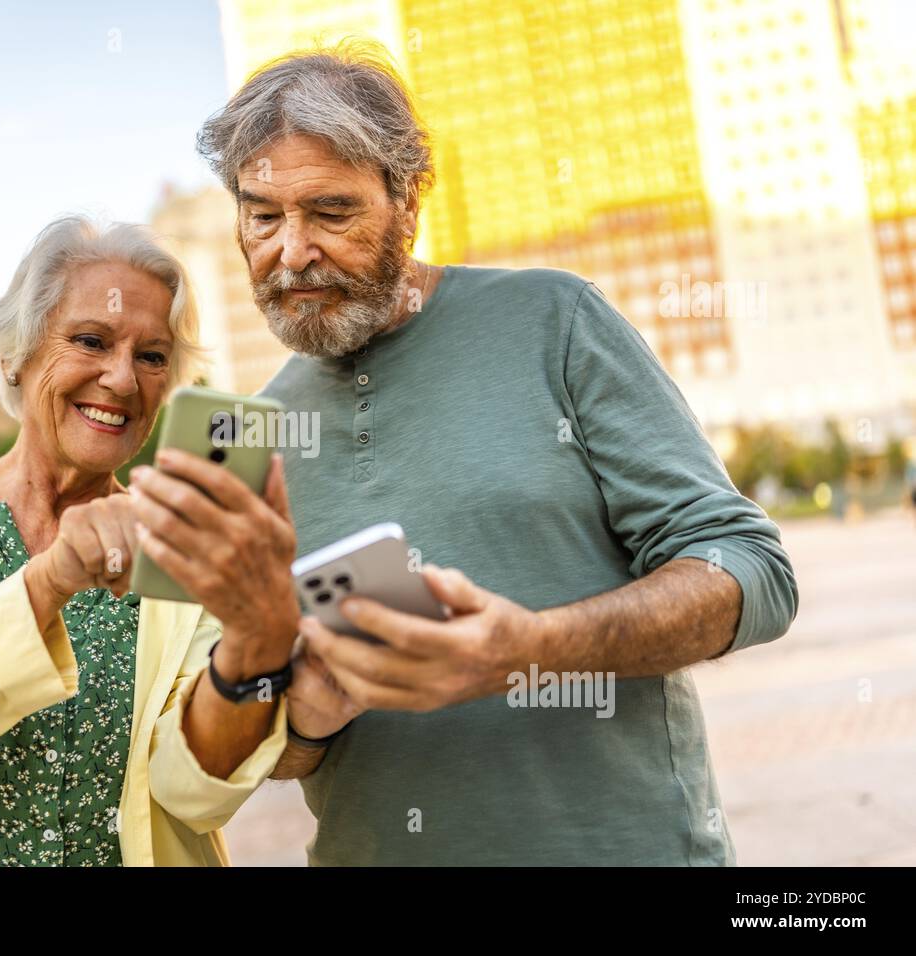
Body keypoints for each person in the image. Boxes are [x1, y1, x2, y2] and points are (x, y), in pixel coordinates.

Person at [196, 42, 800, 865]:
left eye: (331, 213)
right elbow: (255, 754)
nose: (291, 251)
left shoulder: (555, 321)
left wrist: (529, 649)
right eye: (262, 216)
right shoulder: (238, 437)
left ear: (407, 199)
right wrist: (303, 715)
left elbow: (752, 570)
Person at [0, 215, 300, 866]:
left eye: (151, 356)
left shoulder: (180, 543)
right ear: (15, 353)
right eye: (91, 341)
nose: (122, 380)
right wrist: (48, 583)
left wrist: (254, 643)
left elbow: (191, 795)